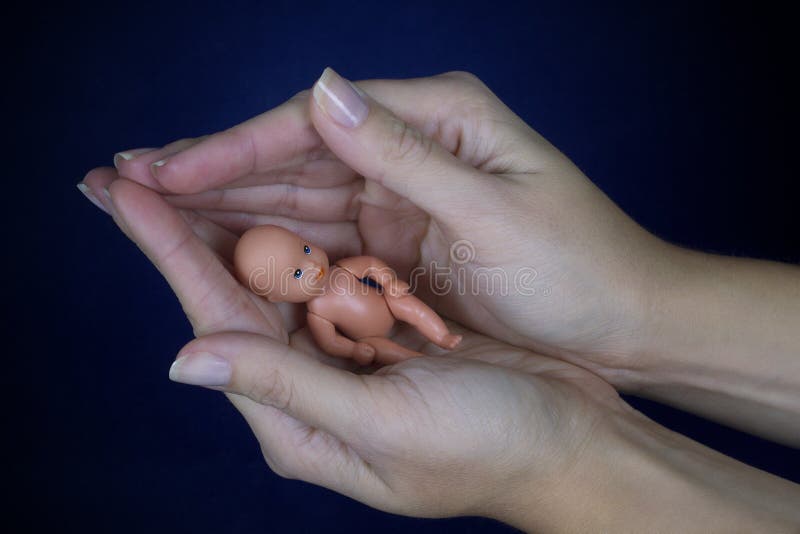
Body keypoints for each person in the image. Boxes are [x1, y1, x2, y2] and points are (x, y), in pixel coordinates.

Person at [80, 68, 800, 532]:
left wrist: (393, 287)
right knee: (392, 343)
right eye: (292, 276)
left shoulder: (344, 267)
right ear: (277, 296)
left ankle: (432, 330)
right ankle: (408, 340)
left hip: (395, 299)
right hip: (376, 331)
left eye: (303, 252)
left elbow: (364, 268)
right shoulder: (321, 311)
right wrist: (354, 346)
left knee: (416, 316)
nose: (309, 263)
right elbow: (330, 336)